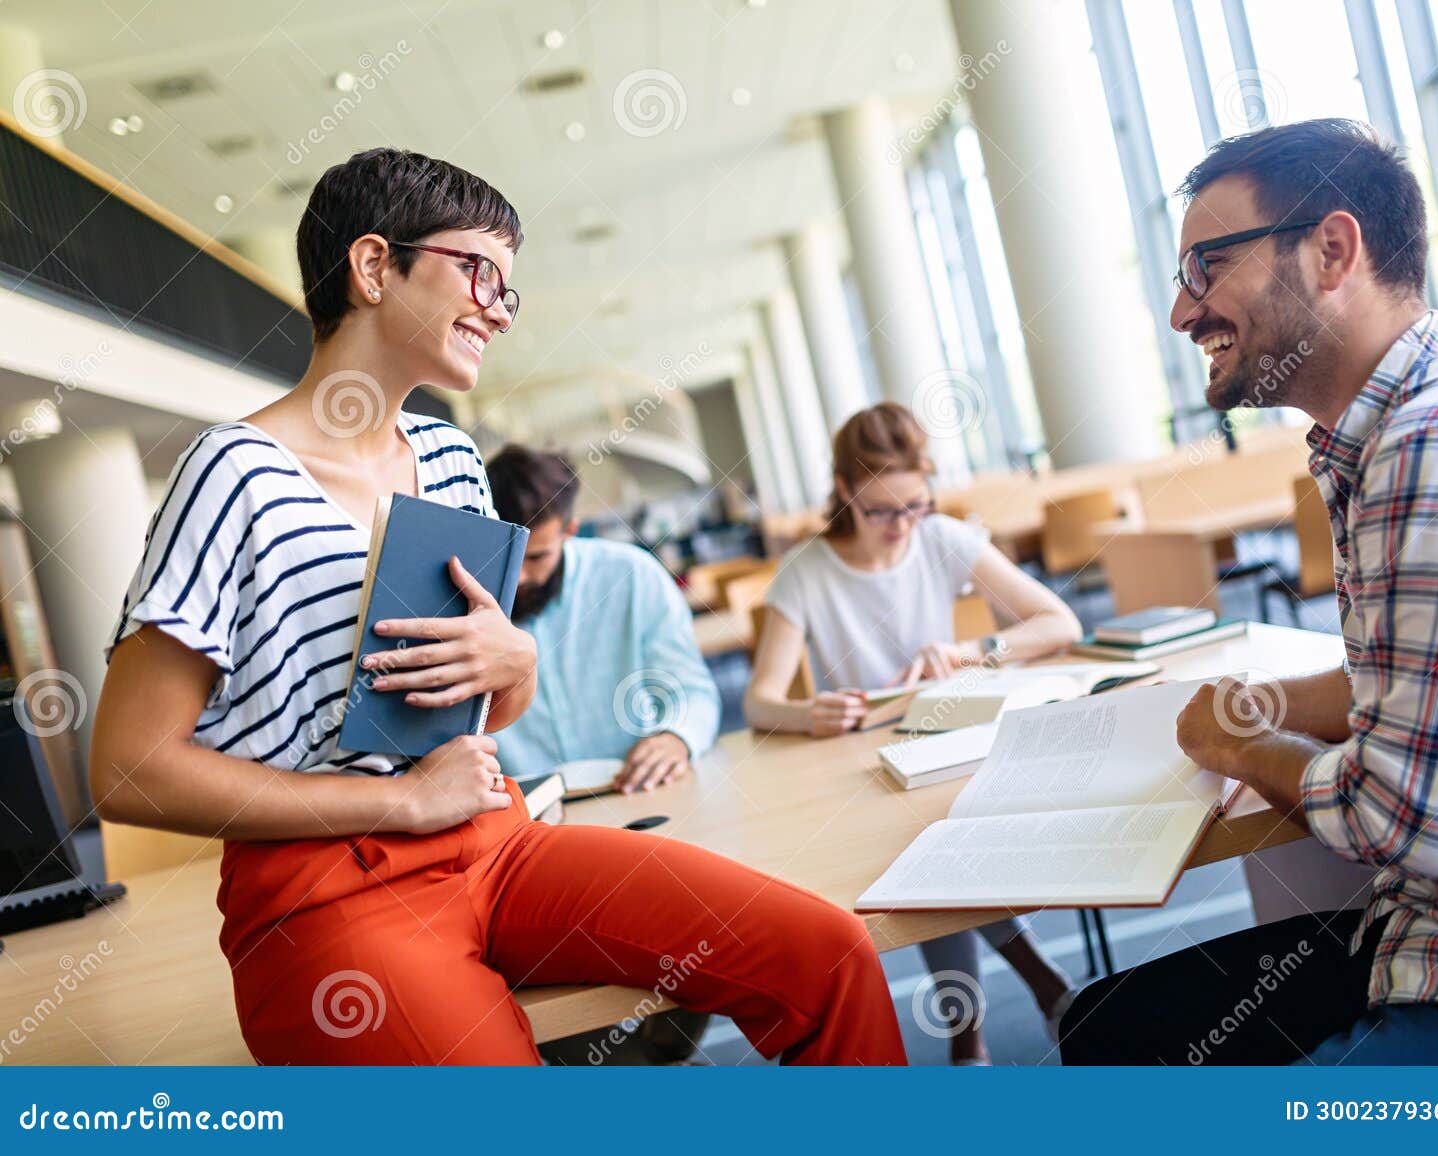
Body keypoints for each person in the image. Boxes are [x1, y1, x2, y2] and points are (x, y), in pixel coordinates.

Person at [89, 146, 906, 1067]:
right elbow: (128, 771)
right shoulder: (233, 475)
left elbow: (474, 708)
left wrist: (516, 664)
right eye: (478, 271)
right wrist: (399, 808)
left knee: (830, 956)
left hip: (496, 838)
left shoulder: (450, 461)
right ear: (372, 267)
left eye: (506, 289)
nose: (497, 309)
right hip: (328, 893)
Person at [1058, 118, 1438, 1064]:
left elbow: (1409, 821)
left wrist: (1236, 741)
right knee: (1103, 1028)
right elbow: (1405, 688)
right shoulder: (1407, 427)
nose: (1183, 314)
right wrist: (1235, 703)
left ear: (1332, 250)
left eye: (1205, 267)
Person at [744, 401, 1081, 1064]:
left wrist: (969, 652)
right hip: (863, 763)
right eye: (881, 511)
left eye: (914, 506)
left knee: (934, 846)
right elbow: (759, 701)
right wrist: (805, 714)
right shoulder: (807, 572)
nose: (900, 526)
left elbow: (1059, 623)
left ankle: (975, 1037)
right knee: (927, 849)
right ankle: (1036, 998)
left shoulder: (940, 537)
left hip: (946, 743)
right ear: (845, 493)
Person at [484, 446, 719, 794]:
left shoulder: (633, 576)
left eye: (535, 557)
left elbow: (694, 692)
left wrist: (676, 738)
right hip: (525, 815)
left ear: (570, 531)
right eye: (506, 556)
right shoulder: (458, 604)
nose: (518, 576)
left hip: (641, 791)